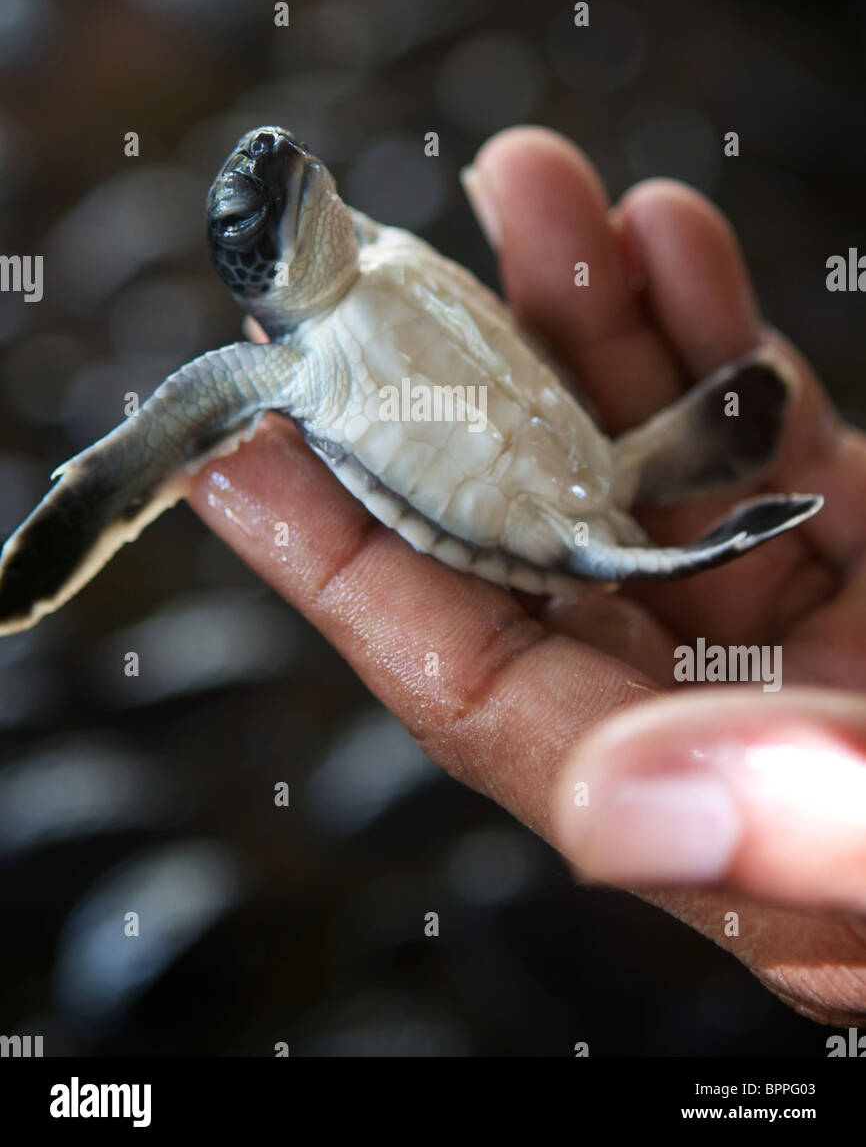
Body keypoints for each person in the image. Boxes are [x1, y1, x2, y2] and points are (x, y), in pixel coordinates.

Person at [188, 125, 866, 1026]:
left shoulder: (382, 246)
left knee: (615, 420)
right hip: (539, 523)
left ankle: (634, 494)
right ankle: (629, 543)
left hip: (583, 454)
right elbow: (168, 427)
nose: (283, 160)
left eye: (294, 164)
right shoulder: (282, 364)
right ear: (259, 269)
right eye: (251, 211)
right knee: (588, 529)